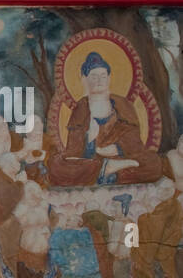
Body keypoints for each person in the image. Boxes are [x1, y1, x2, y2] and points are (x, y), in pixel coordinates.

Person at [47, 51, 162, 187]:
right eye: (94, 76)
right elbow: (73, 150)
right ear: (85, 79)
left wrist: (118, 148)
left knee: (154, 163)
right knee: (56, 165)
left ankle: (108, 171)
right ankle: (108, 170)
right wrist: (89, 139)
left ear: (109, 78)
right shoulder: (81, 107)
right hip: (89, 162)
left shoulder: (123, 104)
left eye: (103, 76)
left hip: (120, 157)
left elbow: (135, 144)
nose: (99, 80)